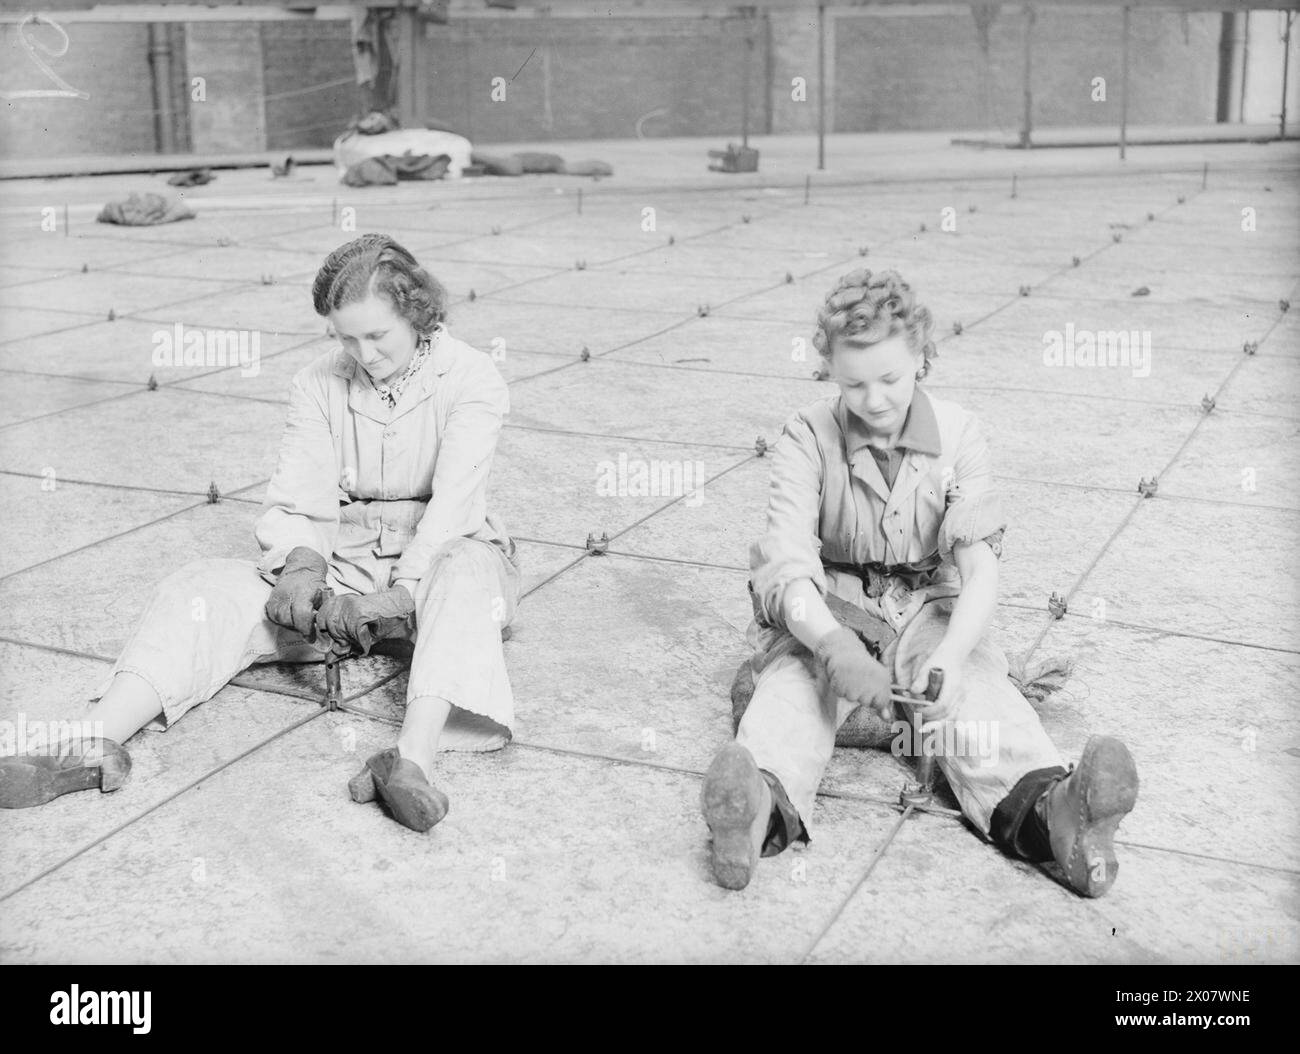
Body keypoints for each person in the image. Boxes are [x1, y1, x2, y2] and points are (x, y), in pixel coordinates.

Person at [0, 234, 521, 834]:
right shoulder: (317, 382)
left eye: (378, 335)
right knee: (203, 587)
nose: (363, 353)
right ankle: (93, 742)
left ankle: (409, 763)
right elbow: (303, 493)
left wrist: (403, 596)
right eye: (346, 338)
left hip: (442, 554)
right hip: (345, 556)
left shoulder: (473, 377)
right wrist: (302, 567)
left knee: (462, 575)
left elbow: (455, 504)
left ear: (417, 311)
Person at [701, 269, 1139, 897]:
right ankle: (756, 806)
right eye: (853, 383)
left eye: (891, 379)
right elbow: (787, 567)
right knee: (794, 681)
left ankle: (1057, 814)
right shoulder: (805, 437)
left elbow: (978, 564)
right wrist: (833, 645)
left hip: (932, 601)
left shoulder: (961, 434)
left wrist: (956, 654)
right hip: (836, 605)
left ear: (923, 359)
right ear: (828, 371)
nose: (873, 399)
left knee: (974, 690)